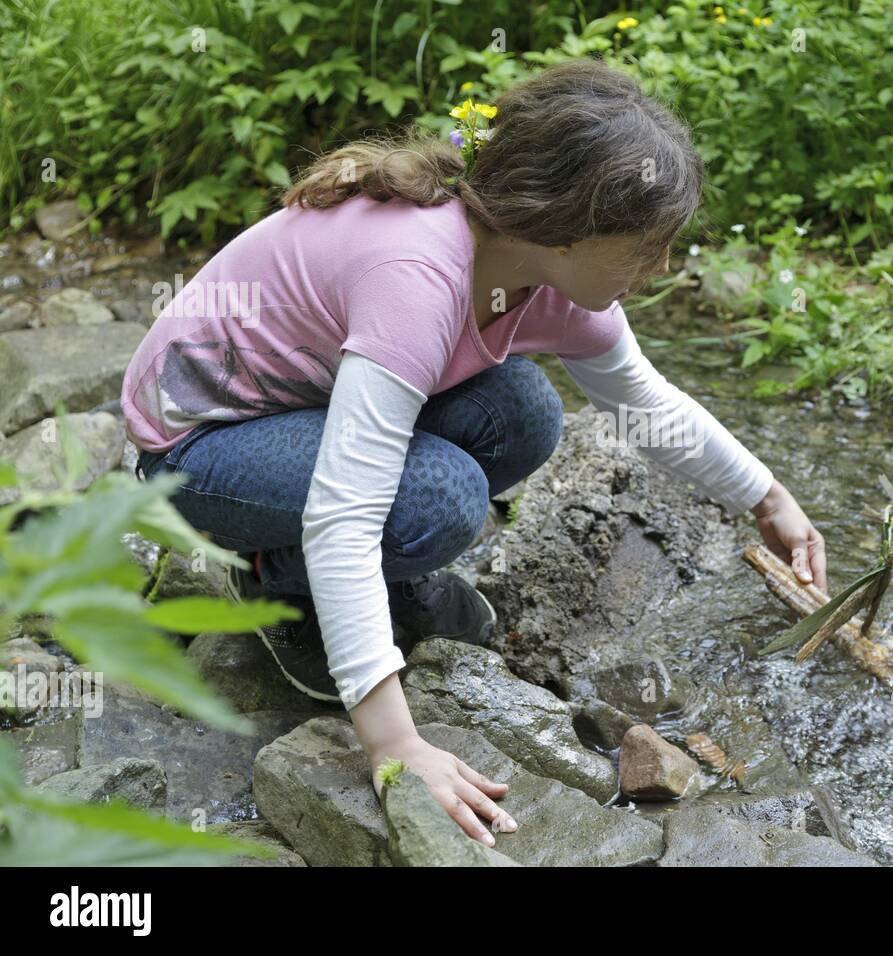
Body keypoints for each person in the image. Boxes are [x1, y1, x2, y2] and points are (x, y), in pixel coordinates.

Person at [122, 58, 827, 849]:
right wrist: (395, 747)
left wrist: (771, 502)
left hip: (305, 409)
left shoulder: (546, 279)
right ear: (564, 231)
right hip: (196, 448)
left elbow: (644, 401)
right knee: (438, 498)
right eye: (647, 245)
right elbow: (347, 512)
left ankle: (350, 582)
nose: (663, 266)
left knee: (524, 410)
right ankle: (276, 586)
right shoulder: (418, 276)